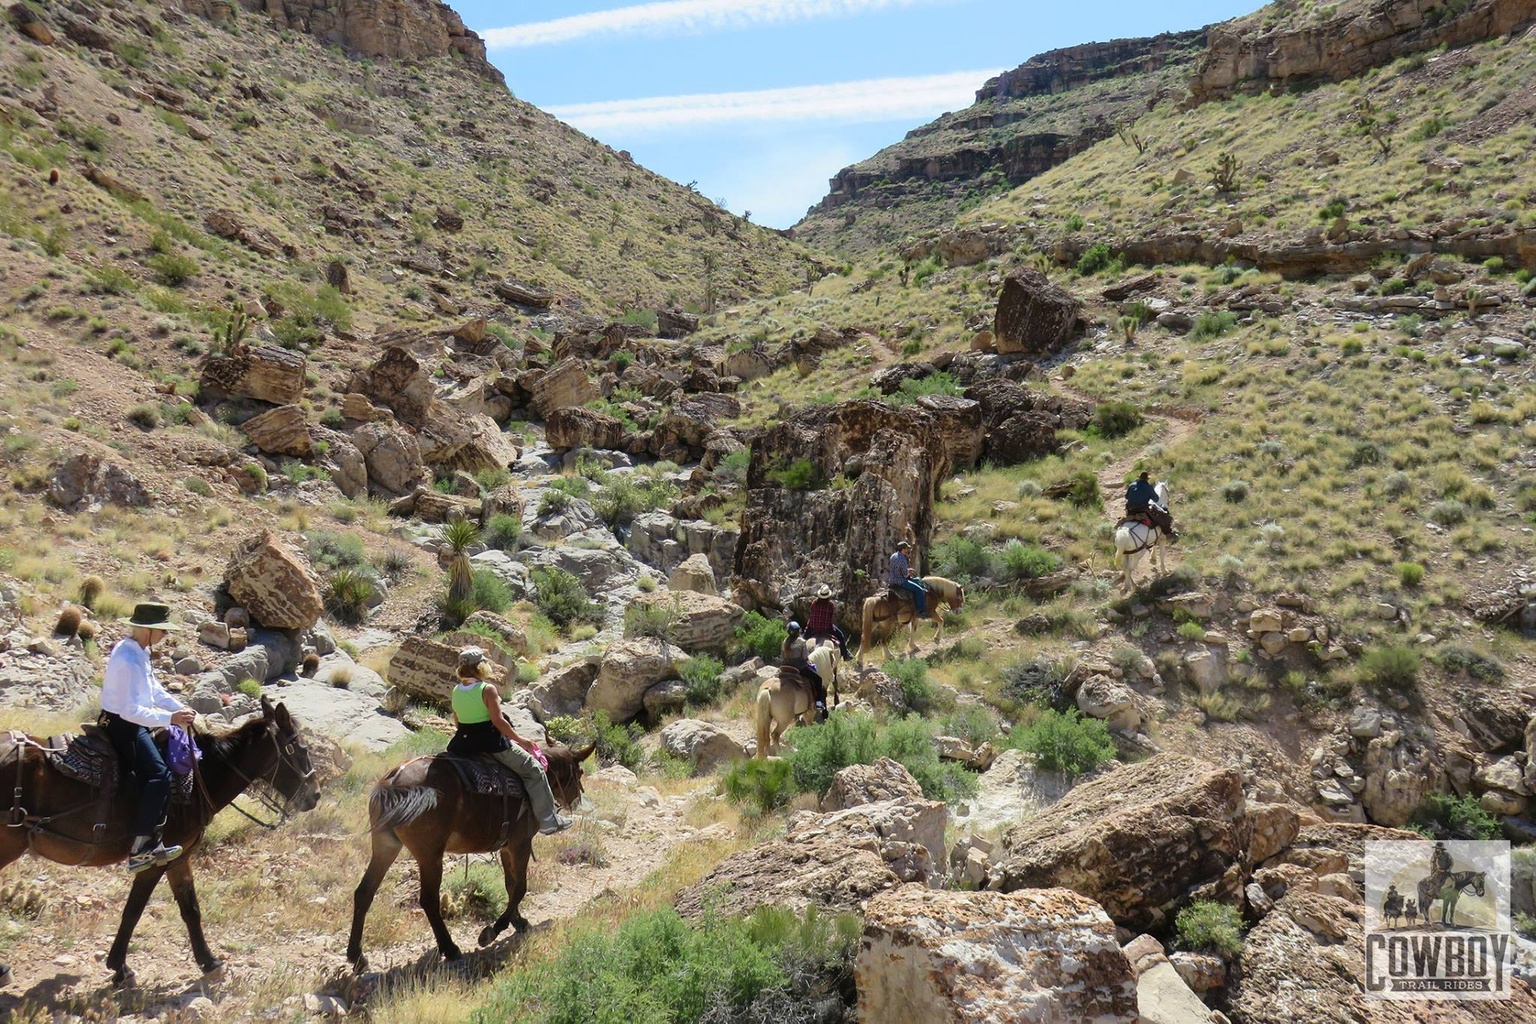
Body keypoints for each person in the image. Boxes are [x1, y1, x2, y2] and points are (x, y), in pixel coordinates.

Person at [100, 602, 196, 874]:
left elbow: (153, 690)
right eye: (161, 630)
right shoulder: (129, 660)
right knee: (159, 773)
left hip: (132, 721)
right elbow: (131, 711)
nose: (165, 635)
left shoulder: (137, 651)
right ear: (147, 630)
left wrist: (178, 708)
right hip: (123, 725)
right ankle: (141, 848)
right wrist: (170, 719)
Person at [447, 647, 572, 835]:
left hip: (462, 744)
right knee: (534, 770)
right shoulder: (487, 689)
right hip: (491, 744)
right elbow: (498, 721)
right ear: (480, 667)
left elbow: (457, 721)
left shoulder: (456, 690)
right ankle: (548, 820)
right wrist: (521, 740)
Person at [780, 621, 825, 710]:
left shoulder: (785, 641)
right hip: (798, 667)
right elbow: (805, 657)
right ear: (798, 631)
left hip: (785, 667)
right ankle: (818, 702)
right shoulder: (801, 641)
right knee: (818, 679)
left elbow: (782, 655)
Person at [1125, 471, 1178, 542]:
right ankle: (1168, 534)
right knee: (1164, 518)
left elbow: (1127, 497)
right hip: (1142, 509)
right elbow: (1156, 499)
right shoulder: (1148, 487)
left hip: (1130, 510)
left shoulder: (1132, 485)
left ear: (1139, 478)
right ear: (1147, 479)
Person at [804, 584, 852, 660]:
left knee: (802, 641)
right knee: (840, 636)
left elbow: (811, 614)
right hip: (826, 629)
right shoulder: (830, 605)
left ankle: (799, 657)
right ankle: (845, 655)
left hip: (812, 627)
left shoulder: (814, 603)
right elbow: (830, 620)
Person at [888, 540, 927, 616]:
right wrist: (909, 572)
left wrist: (908, 569)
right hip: (901, 581)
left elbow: (896, 569)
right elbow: (905, 575)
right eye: (907, 548)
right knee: (919, 590)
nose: (908, 550)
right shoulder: (903, 559)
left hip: (891, 580)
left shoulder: (893, 556)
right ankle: (921, 611)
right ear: (903, 549)